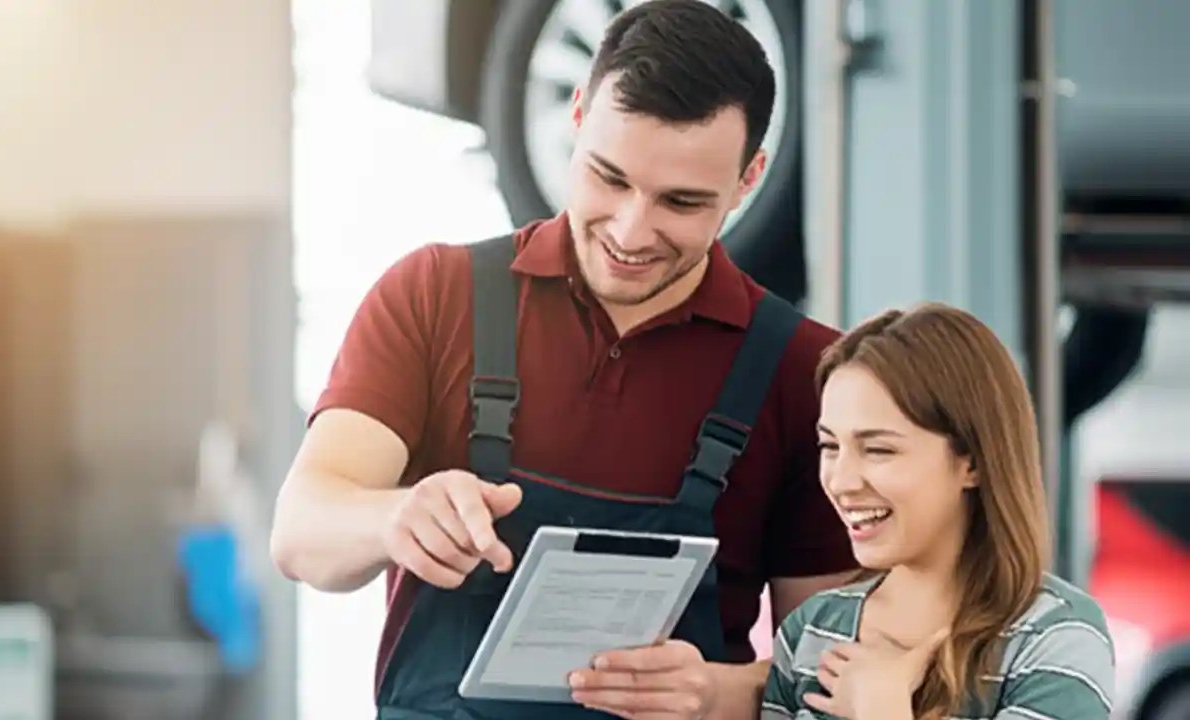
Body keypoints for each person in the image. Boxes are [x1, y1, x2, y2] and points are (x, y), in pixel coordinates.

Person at [270, 1, 860, 717]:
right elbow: (303, 535)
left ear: (748, 178)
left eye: (680, 202)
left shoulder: (805, 372)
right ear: (576, 115)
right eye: (610, 179)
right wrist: (394, 518)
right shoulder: (433, 296)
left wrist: (723, 693)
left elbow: (833, 674)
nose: (631, 230)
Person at [761, 303, 1115, 720]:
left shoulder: (1054, 635)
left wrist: (883, 710)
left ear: (973, 462)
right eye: (830, 447)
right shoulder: (812, 630)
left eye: (878, 450)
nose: (842, 481)